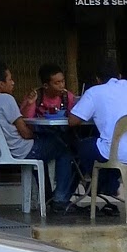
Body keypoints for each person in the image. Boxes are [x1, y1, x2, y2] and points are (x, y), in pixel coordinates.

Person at [69, 54, 127, 215]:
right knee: (106, 145)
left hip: (117, 153)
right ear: (119, 76)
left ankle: (106, 185)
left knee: (85, 146)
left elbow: (73, 121)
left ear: (97, 79)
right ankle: (109, 185)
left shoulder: (94, 92)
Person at [0, 58, 64, 210]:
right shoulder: (6, 99)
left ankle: (48, 196)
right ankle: (61, 198)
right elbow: (25, 133)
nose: (13, 82)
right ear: (0, 83)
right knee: (62, 145)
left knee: (43, 154)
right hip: (22, 151)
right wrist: (35, 135)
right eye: (10, 79)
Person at [21, 63, 84, 212]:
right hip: (40, 138)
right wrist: (30, 104)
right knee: (64, 152)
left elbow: (73, 117)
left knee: (72, 152)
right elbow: (26, 119)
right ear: (45, 85)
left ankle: (58, 196)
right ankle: (58, 198)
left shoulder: (67, 96)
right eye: (57, 82)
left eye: (62, 81)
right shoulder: (35, 97)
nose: (62, 85)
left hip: (61, 135)